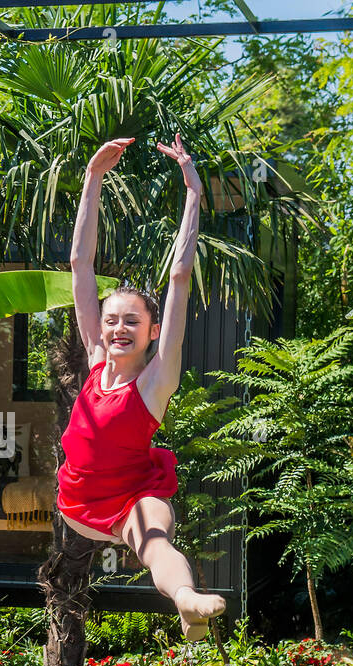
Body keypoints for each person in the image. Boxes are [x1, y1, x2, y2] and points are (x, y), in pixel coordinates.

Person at [56, 133, 227, 640]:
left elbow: (178, 277)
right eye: (111, 320)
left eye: (132, 322)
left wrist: (194, 195)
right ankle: (186, 601)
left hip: (131, 495)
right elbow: (79, 265)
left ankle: (186, 601)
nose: (118, 330)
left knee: (154, 534)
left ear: (153, 331)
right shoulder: (93, 361)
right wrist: (92, 180)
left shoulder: (155, 381)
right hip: (80, 504)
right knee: (149, 532)